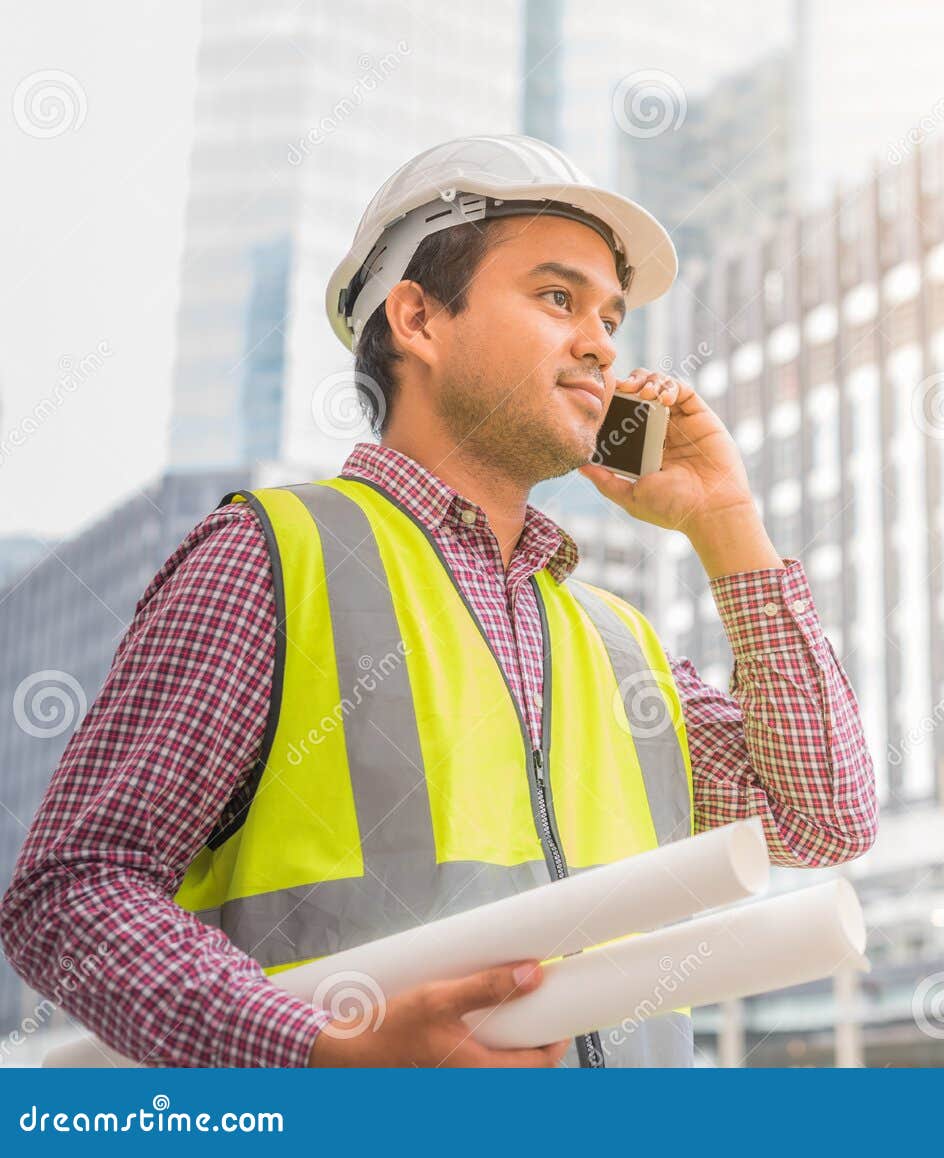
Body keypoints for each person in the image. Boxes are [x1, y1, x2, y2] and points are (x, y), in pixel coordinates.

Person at [0, 135, 878, 1068]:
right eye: (557, 298)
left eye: (612, 318)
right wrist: (325, 1053)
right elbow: (74, 888)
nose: (602, 344)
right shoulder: (273, 557)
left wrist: (727, 522)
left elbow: (821, 817)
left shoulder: (617, 642)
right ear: (417, 318)